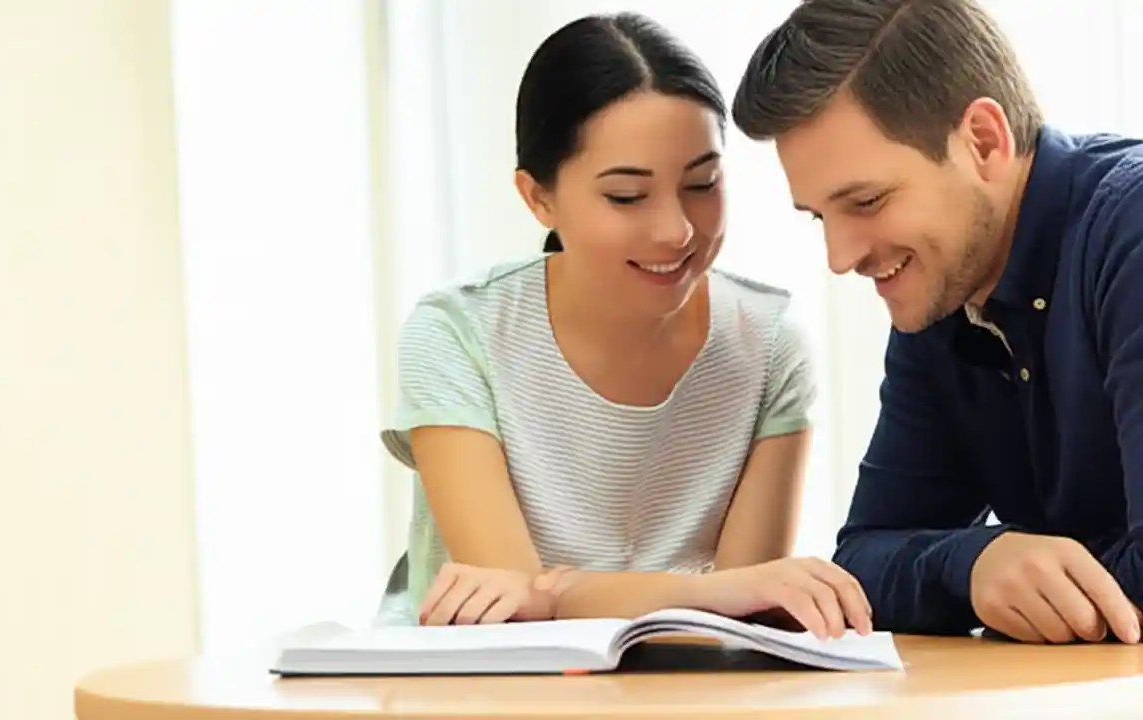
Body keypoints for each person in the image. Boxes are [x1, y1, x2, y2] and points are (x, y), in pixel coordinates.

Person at [376, 12, 872, 639]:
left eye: (703, 183)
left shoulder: (767, 344)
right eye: (627, 197)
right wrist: (709, 591)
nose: (677, 230)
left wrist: (559, 593)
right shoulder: (458, 334)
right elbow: (508, 613)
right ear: (538, 198)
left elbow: (737, 618)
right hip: (492, 694)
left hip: (681, 688)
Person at [731, 0, 1143, 645]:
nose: (841, 258)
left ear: (983, 140)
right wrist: (975, 563)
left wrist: (1011, 571)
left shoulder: (1131, 233)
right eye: (820, 217)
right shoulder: (944, 294)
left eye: (866, 202)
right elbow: (862, 565)